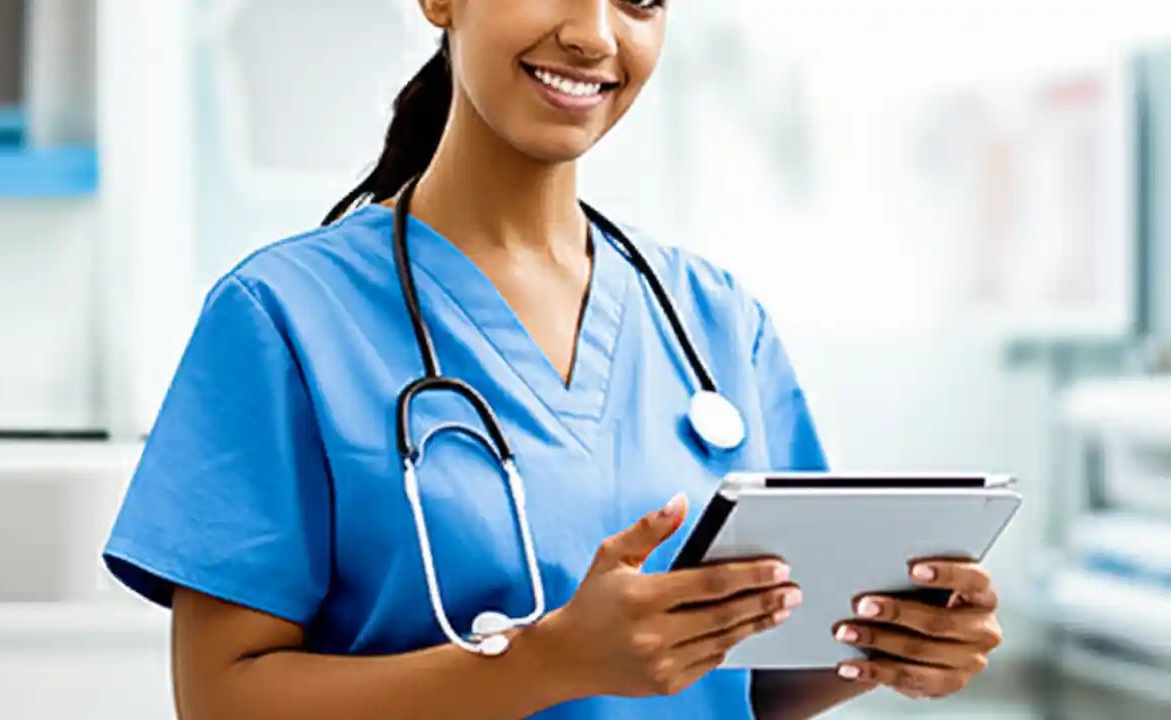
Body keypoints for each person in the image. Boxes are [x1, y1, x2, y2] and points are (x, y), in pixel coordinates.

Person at [102, 1, 1004, 718]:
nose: (594, 34)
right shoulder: (283, 316)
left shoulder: (718, 321)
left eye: (640, 0)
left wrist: (886, 650)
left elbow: (749, 686)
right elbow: (222, 701)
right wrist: (549, 662)